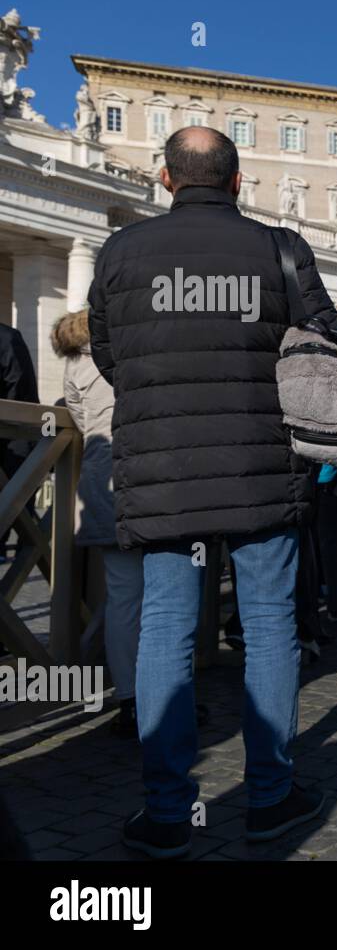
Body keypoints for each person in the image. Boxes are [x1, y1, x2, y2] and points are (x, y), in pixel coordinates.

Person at [87, 126, 332, 858]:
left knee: (165, 627)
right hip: (262, 468)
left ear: (166, 179)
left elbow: (108, 354)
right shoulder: (278, 249)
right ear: (235, 181)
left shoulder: (120, 252)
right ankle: (269, 796)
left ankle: (166, 812)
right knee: (268, 625)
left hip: (164, 469)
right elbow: (324, 348)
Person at [52, 310, 142, 738]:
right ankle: (150, 695)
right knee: (160, 596)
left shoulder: (75, 363)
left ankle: (127, 694)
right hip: (147, 479)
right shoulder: (135, 344)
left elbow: (82, 421)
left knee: (124, 594)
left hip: (101, 482)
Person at [0, 320, 36, 561]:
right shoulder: (7, 337)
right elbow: (20, 388)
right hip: (14, 435)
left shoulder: (6, 337)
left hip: (14, 438)